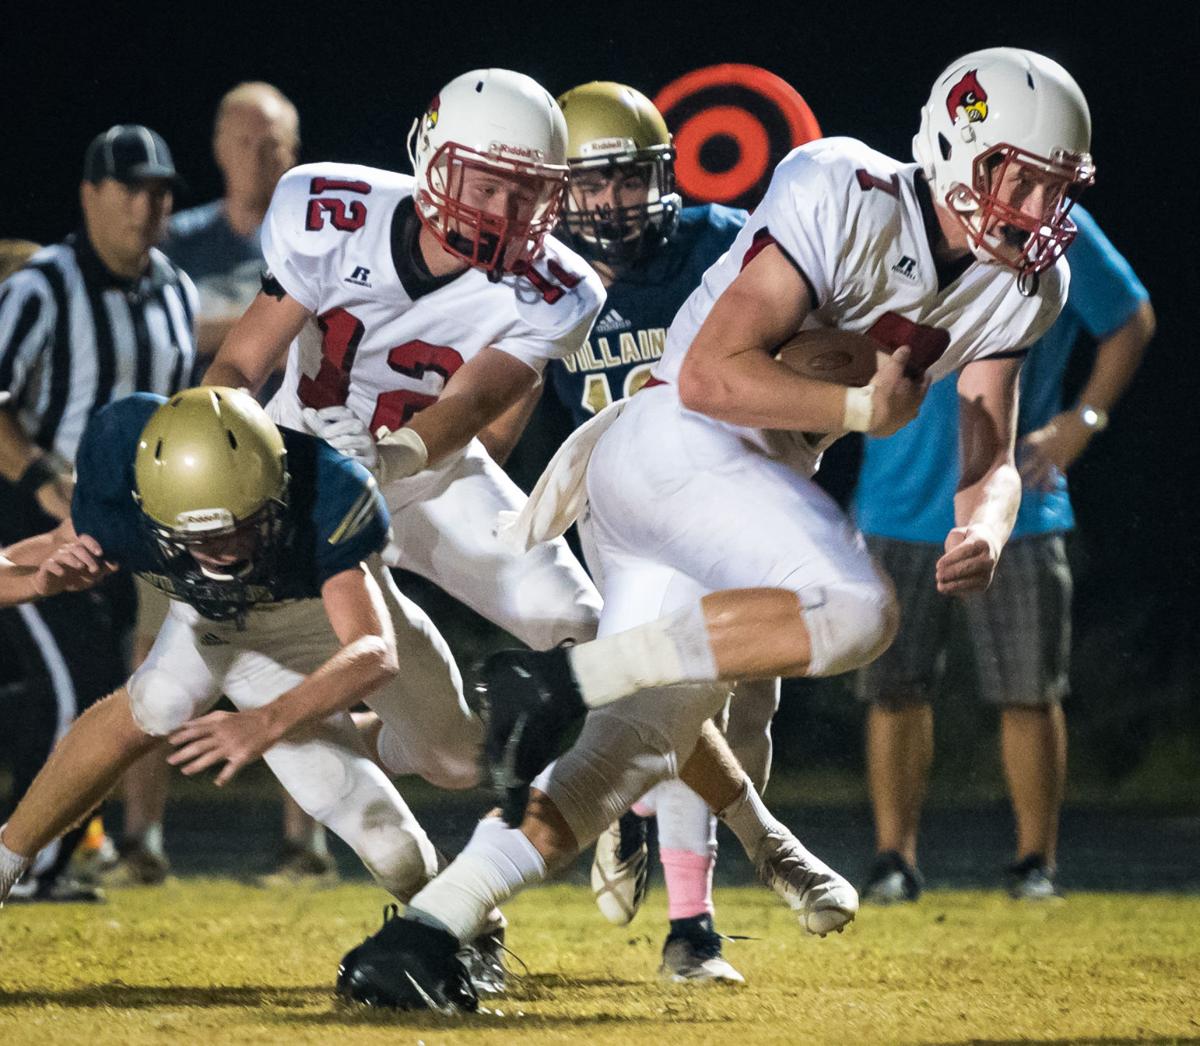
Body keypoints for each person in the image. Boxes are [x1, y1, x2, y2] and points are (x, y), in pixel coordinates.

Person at [333, 47, 1098, 1012]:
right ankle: (565, 675)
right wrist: (864, 411)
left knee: (622, 761)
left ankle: (426, 936)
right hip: (675, 445)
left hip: (725, 488)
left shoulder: (1027, 285)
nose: (1034, 207)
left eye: (1053, 186)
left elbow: (988, 451)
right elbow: (707, 376)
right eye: (1018, 176)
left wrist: (984, 525)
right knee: (857, 610)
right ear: (956, 146)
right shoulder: (845, 186)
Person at [200, 69, 606, 790]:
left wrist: (389, 459)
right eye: (486, 185)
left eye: (526, 192)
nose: (506, 211)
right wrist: (235, 466)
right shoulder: (329, 212)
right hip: (306, 486)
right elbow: (237, 367)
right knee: (452, 761)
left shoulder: (560, 289)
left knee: (583, 624)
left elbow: (475, 407)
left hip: (431, 476)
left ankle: (617, 812)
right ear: (432, 158)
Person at [0, 388, 488, 961]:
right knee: (390, 847)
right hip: (227, 636)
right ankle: (476, 931)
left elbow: (374, 649)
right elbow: (16, 562)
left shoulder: (328, 490)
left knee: (458, 764)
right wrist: (36, 584)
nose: (223, 551)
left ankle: (380, 735)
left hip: (330, 628)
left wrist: (267, 723)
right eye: (198, 539)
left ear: (275, 490)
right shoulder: (120, 494)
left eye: (239, 527)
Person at [480, 81, 770, 985]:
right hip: (624, 527)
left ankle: (635, 813)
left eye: (627, 179)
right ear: (560, 191)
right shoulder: (548, 278)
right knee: (682, 699)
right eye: (590, 184)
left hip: (733, 508)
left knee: (748, 725)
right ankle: (694, 931)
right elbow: (504, 410)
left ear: (662, 173)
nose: (609, 202)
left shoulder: (724, 246)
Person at [854, 204, 1154, 903]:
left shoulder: (1056, 223)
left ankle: (1034, 863)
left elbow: (1129, 318)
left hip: (1016, 503)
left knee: (1029, 688)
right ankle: (893, 859)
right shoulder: (893, 212)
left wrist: (1083, 420)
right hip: (895, 499)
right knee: (894, 689)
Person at [0, 125, 196, 901]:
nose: (149, 205)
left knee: (89, 688)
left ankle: (45, 853)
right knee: (73, 682)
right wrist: (46, 477)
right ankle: (31, 868)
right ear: (90, 194)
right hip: (28, 514)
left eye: (162, 190)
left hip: (127, 532)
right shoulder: (43, 285)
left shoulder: (177, 289)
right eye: (132, 188)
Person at [122, 81, 310, 887]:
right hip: (187, 479)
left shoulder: (309, 235)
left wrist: (226, 331)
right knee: (153, 654)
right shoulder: (182, 241)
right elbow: (149, 330)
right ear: (217, 147)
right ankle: (142, 843)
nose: (256, 153)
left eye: (270, 141)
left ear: (292, 150)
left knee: (311, 648)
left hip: (289, 470)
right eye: (241, 138)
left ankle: (307, 844)